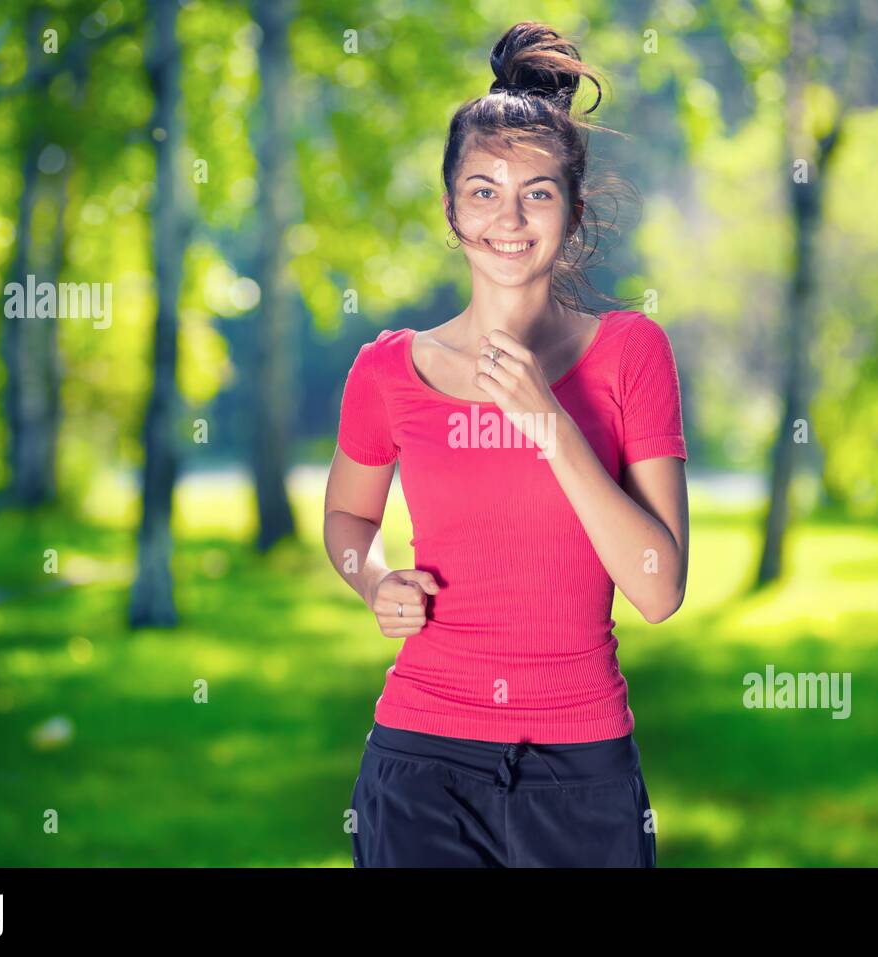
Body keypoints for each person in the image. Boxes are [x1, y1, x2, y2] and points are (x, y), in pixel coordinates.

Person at [323, 21, 689, 867]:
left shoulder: (631, 352)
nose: (509, 218)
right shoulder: (389, 369)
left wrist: (546, 421)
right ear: (450, 208)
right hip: (421, 762)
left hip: (582, 775)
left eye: (538, 192)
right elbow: (348, 514)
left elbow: (659, 588)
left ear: (574, 209)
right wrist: (374, 579)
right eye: (483, 190)